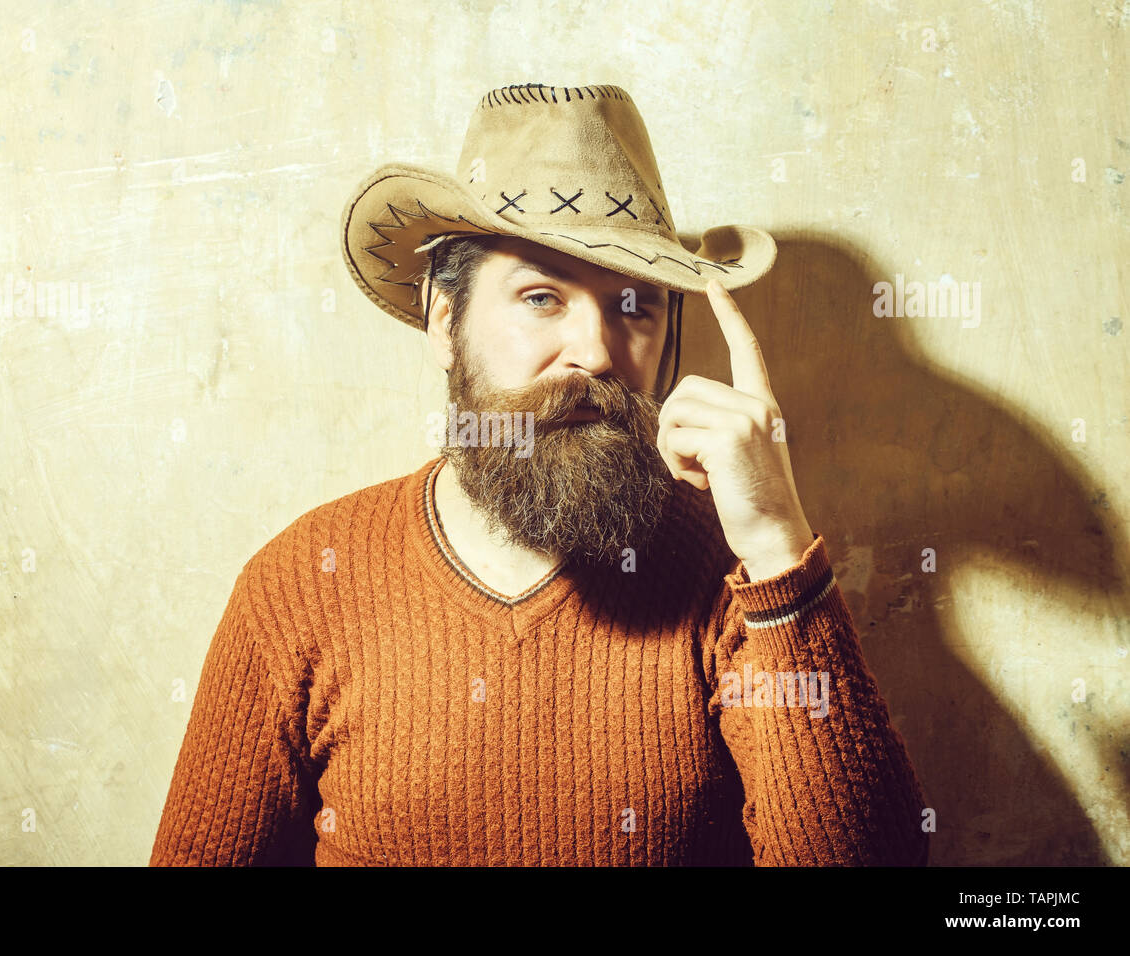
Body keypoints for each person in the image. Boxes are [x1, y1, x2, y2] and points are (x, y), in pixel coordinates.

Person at [149, 82, 929, 866]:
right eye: (541, 297)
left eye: (634, 305)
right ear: (445, 323)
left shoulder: (730, 579)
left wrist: (774, 545)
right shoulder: (300, 586)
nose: (595, 352)